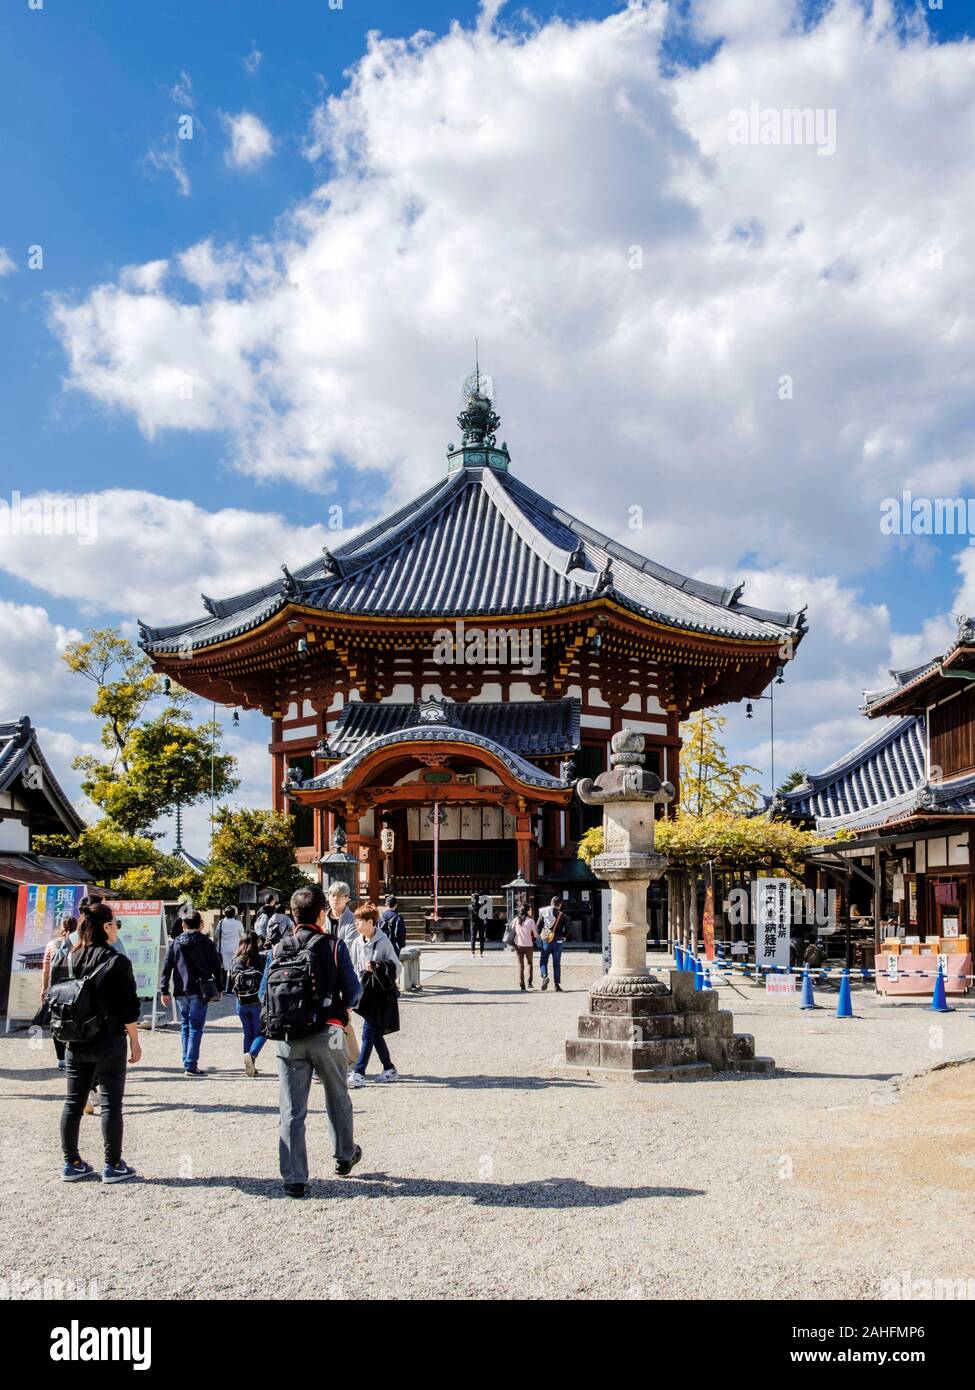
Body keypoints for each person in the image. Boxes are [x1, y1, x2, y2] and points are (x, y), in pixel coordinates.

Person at [260, 884, 362, 1198]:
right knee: (336, 1095)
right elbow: (355, 991)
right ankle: (344, 1156)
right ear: (321, 913)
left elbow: (265, 991)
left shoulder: (278, 949)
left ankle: (294, 1178)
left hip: (288, 1037)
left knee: (291, 1108)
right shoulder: (332, 945)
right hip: (328, 1033)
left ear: (292, 915)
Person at [58, 903, 141, 1183]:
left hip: (75, 1040)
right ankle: (113, 1164)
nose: (118, 928)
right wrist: (136, 1042)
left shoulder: (69, 957)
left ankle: (71, 1163)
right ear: (106, 927)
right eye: (116, 923)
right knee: (111, 1103)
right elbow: (129, 1008)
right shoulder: (117, 961)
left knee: (72, 1102)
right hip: (109, 1039)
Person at [159, 910, 223, 1077]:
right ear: (200, 924)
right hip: (200, 989)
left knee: (185, 1024)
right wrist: (220, 987)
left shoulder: (176, 943)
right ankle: (191, 1064)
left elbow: (167, 968)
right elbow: (217, 966)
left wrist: (164, 989)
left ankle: (187, 1060)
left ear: (183, 925)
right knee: (196, 1027)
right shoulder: (206, 943)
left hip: (181, 989)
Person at [348, 902, 400, 1087]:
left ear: (371, 922)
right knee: (375, 1034)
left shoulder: (383, 941)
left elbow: (396, 967)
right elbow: (353, 968)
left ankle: (359, 1072)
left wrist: (377, 967)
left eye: (360, 921)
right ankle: (389, 1068)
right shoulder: (356, 942)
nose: (357, 924)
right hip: (365, 994)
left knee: (367, 1033)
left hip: (381, 996)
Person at [229, 931, 267, 1076]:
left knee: (248, 1033)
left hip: (241, 1001)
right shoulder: (261, 959)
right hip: (258, 1001)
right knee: (262, 1032)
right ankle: (251, 1056)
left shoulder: (236, 959)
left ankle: (250, 1065)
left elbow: (233, 980)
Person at [42, 916, 76, 1070]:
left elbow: (46, 970)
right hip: (75, 988)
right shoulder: (79, 943)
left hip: (56, 988)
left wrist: (44, 989)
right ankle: (74, 1054)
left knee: (57, 1021)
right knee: (75, 1020)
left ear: (61, 927)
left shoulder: (51, 944)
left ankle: (61, 1058)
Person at [538, 896, 569, 992]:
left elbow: (538, 925)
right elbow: (569, 928)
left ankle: (544, 976)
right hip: (558, 941)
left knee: (543, 960)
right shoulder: (562, 915)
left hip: (546, 940)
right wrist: (564, 935)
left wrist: (541, 935)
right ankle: (557, 985)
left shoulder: (543, 912)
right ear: (559, 904)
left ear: (551, 903)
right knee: (556, 963)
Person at [510, 904, 538, 991]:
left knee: (520, 965)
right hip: (529, 945)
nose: (531, 911)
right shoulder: (531, 921)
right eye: (530, 909)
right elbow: (536, 934)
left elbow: (511, 929)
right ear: (527, 911)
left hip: (518, 945)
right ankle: (529, 982)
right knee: (529, 963)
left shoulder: (515, 920)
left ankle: (522, 985)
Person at [215, 906, 244, 983]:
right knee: (234, 967)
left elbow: (216, 935)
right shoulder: (238, 923)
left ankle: (223, 984)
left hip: (223, 949)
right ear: (234, 914)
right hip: (235, 948)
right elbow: (243, 936)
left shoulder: (221, 922)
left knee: (223, 967)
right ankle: (232, 985)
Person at [324, 881, 358, 946]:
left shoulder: (353, 919)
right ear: (328, 897)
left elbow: (349, 945)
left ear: (347, 898)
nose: (335, 899)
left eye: (339, 896)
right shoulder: (322, 918)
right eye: (333, 895)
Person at [469, 891, 487, 957]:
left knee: (473, 938)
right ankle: (481, 953)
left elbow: (469, 915)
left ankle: (473, 953)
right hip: (481, 923)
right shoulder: (481, 906)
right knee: (481, 938)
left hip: (473, 923)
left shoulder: (470, 906)